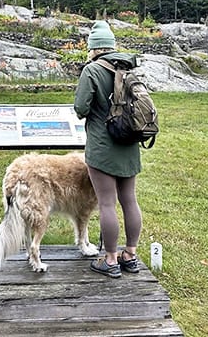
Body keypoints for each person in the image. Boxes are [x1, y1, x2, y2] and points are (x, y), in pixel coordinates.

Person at [73, 20, 142, 279]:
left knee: (106, 204)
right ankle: (130, 255)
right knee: (130, 200)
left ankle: (111, 260)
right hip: (129, 144)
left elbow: (80, 108)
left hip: (103, 147)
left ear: (93, 48)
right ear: (111, 46)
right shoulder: (128, 67)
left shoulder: (92, 70)